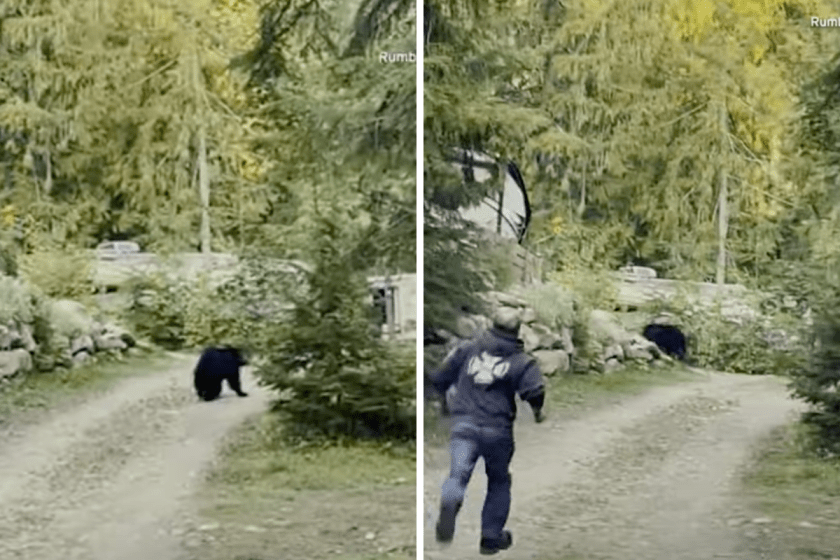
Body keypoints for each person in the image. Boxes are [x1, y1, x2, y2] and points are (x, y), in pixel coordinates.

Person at [428, 307, 546, 555]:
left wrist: (443, 404)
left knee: (458, 474)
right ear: (517, 330)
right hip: (498, 431)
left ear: (492, 325)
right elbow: (534, 391)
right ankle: (491, 537)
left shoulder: (467, 349)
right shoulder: (522, 360)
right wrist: (537, 412)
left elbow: (439, 377)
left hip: (464, 426)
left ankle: (449, 505)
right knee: (499, 479)